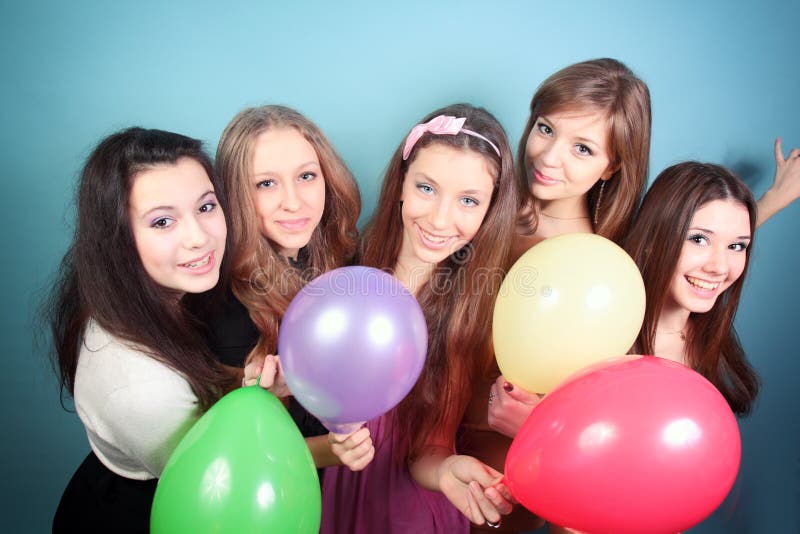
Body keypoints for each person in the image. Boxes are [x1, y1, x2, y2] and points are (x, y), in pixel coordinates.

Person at [320, 104, 520, 533]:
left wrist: (447, 469)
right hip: (335, 490)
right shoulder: (342, 275)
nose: (439, 218)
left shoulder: (468, 315)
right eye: (427, 189)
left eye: (468, 200)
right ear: (401, 186)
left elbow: (428, 448)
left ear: (489, 211)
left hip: (406, 509)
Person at [47, 127, 237, 533]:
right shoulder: (140, 389)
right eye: (163, 221)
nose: (199, 238)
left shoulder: (137, 291)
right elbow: (221, 485)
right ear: (118, 238)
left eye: (206, 207)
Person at [203, 105, 372, 469]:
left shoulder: (341, 257)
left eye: (306, 176)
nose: (294, 201)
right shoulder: (227, 309)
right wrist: (333, 449)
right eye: (266, 183)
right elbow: (250, 450)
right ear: (237, 196)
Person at [623, 162, 760, 415]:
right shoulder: (604, 338)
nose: (719, 267)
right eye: (699, 239)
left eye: (737, 246)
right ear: (653, 239)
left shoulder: (708, 337)